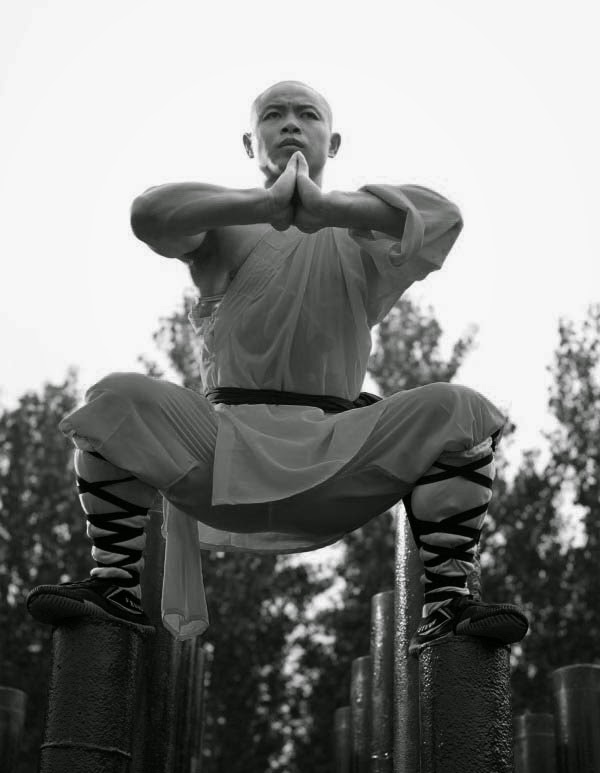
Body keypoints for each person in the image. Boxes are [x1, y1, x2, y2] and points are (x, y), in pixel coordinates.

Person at [26, 80, 528, 657]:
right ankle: (113, 584)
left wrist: (322, 209)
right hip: (218, 456)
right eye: (274, 115)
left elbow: (445, 218)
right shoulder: (224, 229)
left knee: (458, 409)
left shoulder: (362, 234)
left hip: (338, 457)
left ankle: (448, 602)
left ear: (331, 141)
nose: (290, 123)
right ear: (250, 141)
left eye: (306, 114)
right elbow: (149, 214)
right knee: (114, 399)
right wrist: (266, 205)